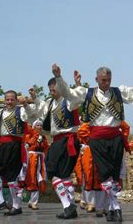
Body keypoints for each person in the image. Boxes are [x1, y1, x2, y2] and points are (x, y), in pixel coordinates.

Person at [53, 63, 133, 222]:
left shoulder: (118, 92)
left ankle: (112, 208)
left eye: (108, 80)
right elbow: (68, 93)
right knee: (104, 174)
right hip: (97, 139)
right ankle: (116, 206)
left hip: (115, 138)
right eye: (103, 80)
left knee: (113, 174)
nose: (106, 83)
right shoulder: (87, 93)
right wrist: (58, 77)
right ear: (96, 79)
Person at [26, 71, 85, 219]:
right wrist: (33, 98)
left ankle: (67, 205)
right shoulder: (50, 103)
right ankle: (70, 207)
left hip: (68, 140)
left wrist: (78, 84)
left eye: (55, 89)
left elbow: (80, 97)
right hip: (57, 141)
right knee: (64, 176)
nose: (52, 93)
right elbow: (40, 109)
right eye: (50, 90)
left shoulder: (69, 100)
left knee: (52, 173)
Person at [0, 90, 34, 216]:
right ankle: (0, 200)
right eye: (7, 99)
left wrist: (26, 105)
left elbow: (31, 116)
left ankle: (17, 206)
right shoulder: (0, 113)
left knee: (12, 177)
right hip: (2, 146)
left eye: (12, 99)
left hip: (15, 145)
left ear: (16, 100)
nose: (9, 102)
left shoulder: (21, 111)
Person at [24, 120, 49, 210]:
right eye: (37, 125)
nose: (39, 127)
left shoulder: (43, 137)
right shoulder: (29, 135)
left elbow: (46, 148)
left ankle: (32, 201)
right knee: (34, 179)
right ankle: (33, 202)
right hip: (32, 158)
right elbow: (27, 146)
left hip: (41, 159)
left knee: (40, 180)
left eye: (40, 125)